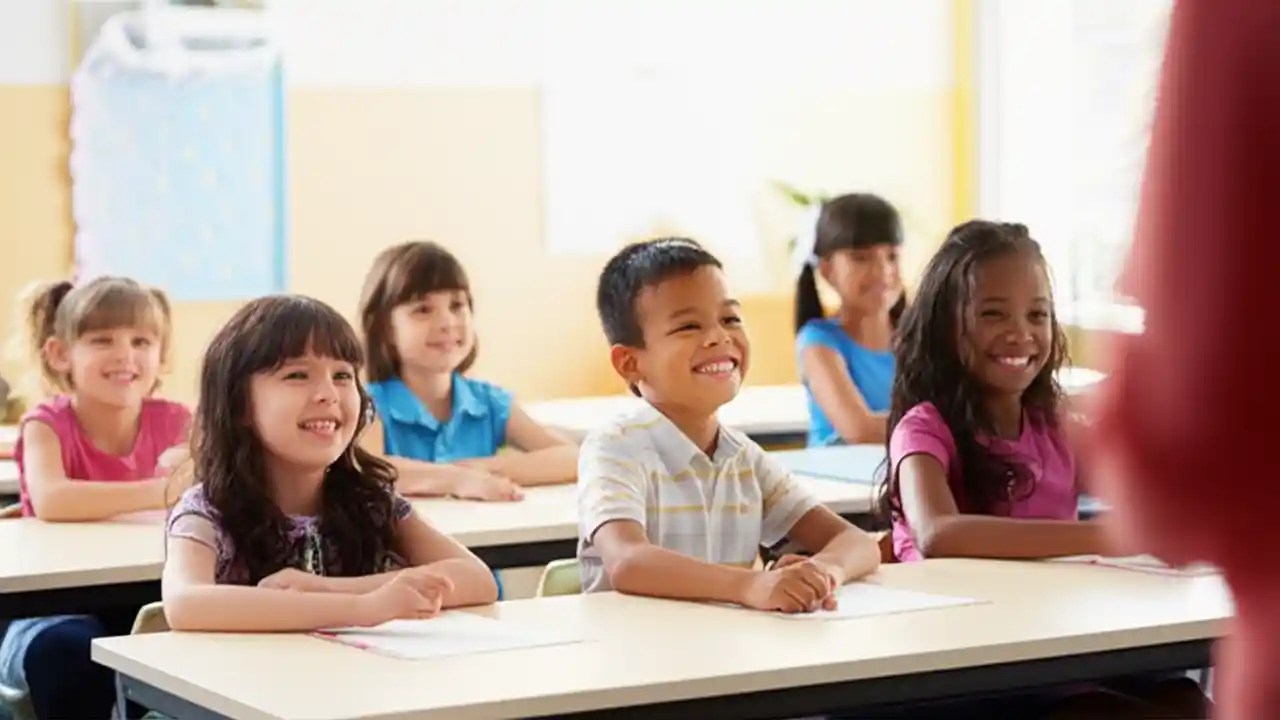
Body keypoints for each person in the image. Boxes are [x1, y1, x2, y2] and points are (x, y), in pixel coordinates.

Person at [577, 238, 880, 612]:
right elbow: (628, 561)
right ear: (629, 363)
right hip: (637, 659)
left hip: (725, 655)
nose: (719, 336)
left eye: (730, 319)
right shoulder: (616, 446)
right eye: (689, 326)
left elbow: (858, 542)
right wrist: (751, 585)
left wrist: (821, 572)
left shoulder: (743, 457)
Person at [162, 295, 497, 632]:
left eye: (342, 375)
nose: (328, 394)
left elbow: (477, 579)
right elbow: (185, 603)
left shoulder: (370, 502)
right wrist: (363, 607)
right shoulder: (209, 511)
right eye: (297, 375)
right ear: (238, 405)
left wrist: (330, 590)